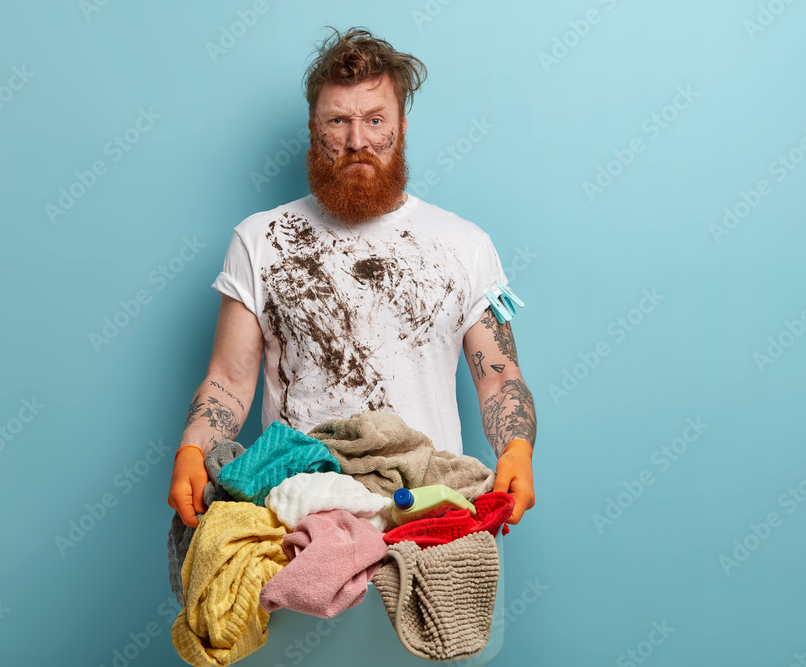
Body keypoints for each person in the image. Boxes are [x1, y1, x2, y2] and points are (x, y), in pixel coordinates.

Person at [167, 27, 536, 529]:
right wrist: (193, 449)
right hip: (295, 515)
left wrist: (515, 450)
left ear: (401, 127)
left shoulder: (466, 245)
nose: (356, 140)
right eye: (337, 121)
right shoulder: (259, 240)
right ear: (315, 130)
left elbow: (498, 376)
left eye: (374, 119)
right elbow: (229, 379)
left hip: (426, 509)